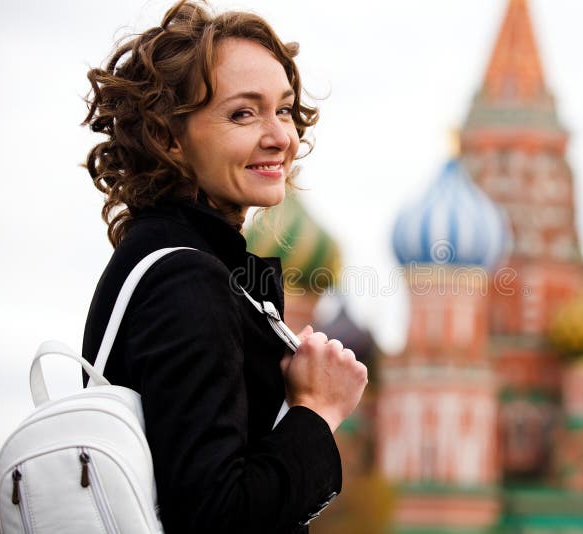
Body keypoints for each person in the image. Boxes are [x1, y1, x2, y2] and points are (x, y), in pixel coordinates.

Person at [80, 1, 368, 532]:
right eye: (243, 113)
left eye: (283, 109)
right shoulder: (185, 279)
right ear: (169, 137)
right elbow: (218, 516)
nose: (281, 136)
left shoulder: (173, 259)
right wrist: (318, 411)